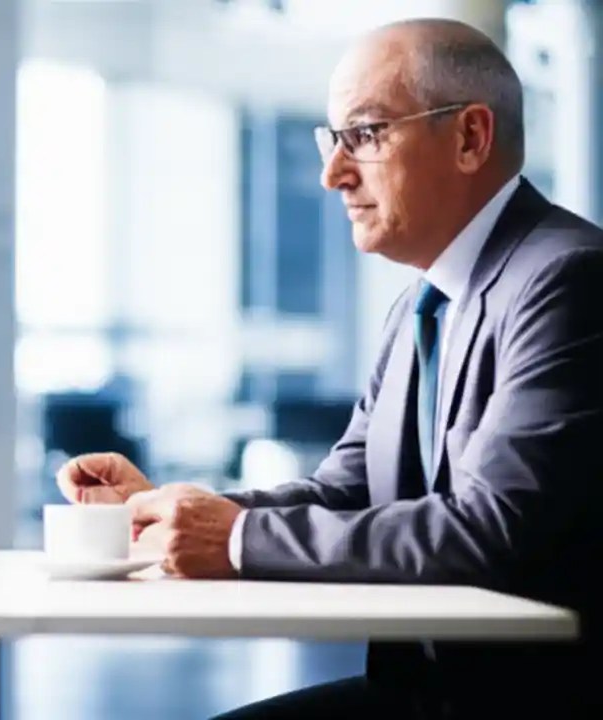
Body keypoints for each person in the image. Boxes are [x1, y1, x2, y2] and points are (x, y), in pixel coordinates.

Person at [57, 18, 601, 719]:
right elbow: (349, 492)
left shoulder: (568, 280)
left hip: (528, 701)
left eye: (366, 135)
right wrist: (171, 510)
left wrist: (234, 538)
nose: (332, 173)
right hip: (429, 691)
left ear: (470, 137)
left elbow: (490, 532)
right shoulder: (421, 303)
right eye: (332, 138)